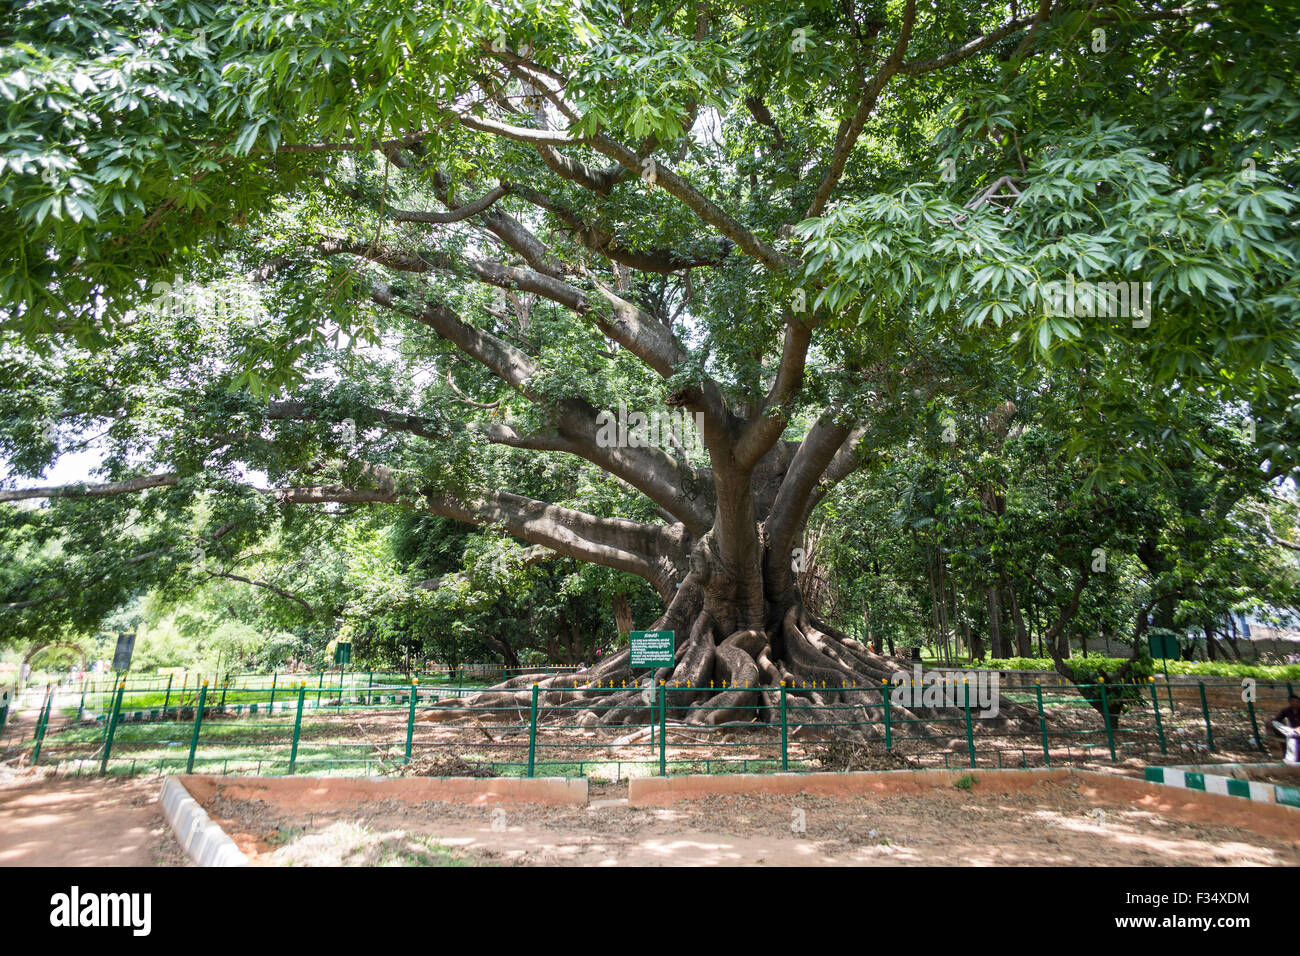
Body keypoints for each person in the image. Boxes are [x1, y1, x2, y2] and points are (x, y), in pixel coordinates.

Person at [1270, 694, 1300, 763]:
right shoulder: (1286, 710)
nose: (1295, 703)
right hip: (1293, 731)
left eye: (1297, 701)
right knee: (1274, 723)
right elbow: (1277, 720)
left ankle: (1289, 760)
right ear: (1289, 702)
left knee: (1291, 735)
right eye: (1293, 701)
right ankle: (1291, 732)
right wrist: (1271, 722)